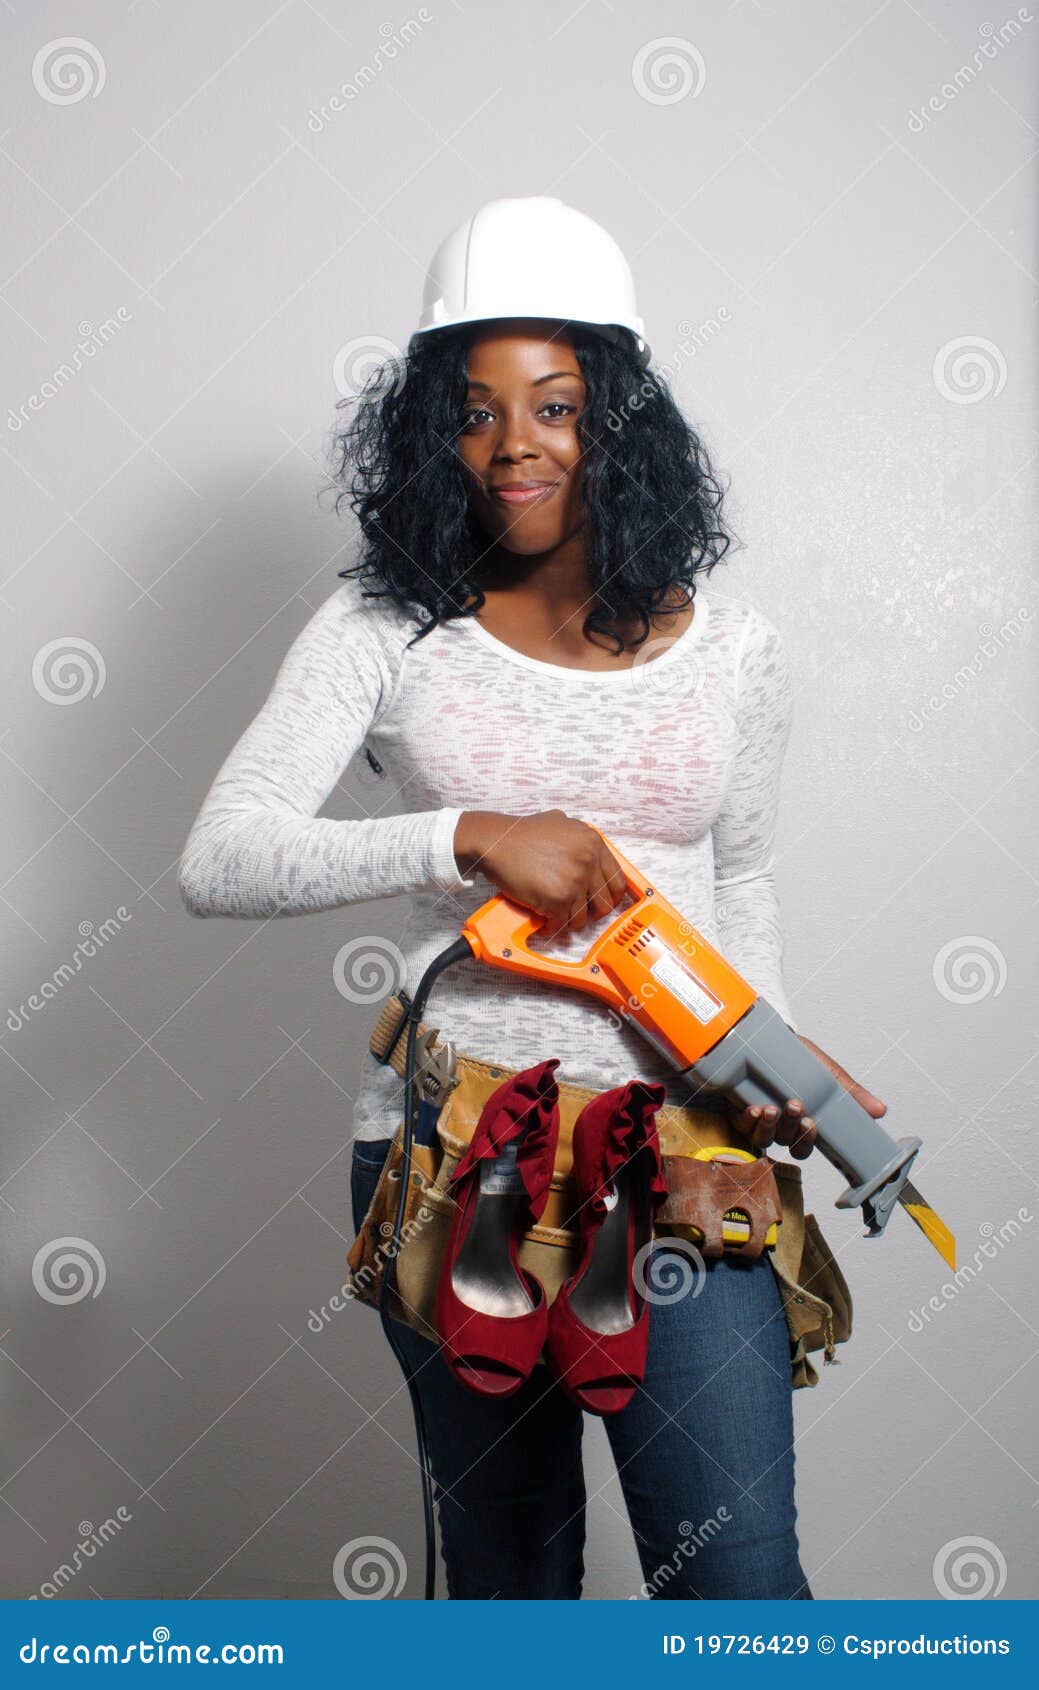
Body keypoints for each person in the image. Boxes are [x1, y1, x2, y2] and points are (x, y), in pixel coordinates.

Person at [178, 197, 887, 1600]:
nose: (516, 444)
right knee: (510, 1584)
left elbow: (740, 874)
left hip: (684, 1148)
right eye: (477, 409)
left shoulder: (734, 649)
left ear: (615, 415)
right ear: (433, 431)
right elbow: (221, 855)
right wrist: (468, 835)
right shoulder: (387, 626)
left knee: (739, 1585)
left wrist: (772, 1054)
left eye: (556, 405)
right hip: (458, 1158)